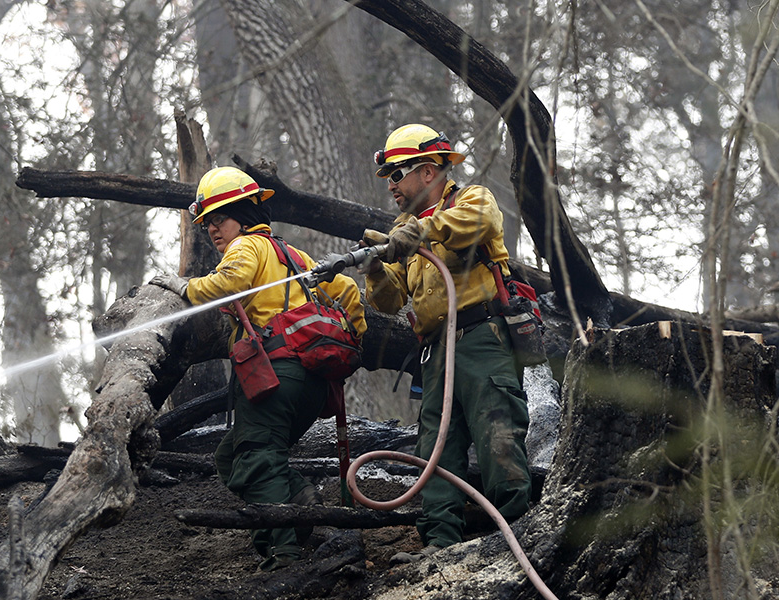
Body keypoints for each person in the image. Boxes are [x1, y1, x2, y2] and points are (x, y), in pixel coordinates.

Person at [150, 166, 367, 572]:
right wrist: (354, 333)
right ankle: (300, 499)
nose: (213, 231)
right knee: (233, 457)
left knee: (257, 457)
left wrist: (184, 286)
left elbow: (229, 284)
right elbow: (348, 290)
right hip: (313, 385)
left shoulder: (246, 247)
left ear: (246, 215)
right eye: (208, 224)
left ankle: (283, 555)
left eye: (220, 219)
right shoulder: (295, 255)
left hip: (275, 375)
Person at [359, 124, 531, 564]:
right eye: (389, 178)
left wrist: (420, 232)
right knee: (436, 446)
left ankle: (518, 539)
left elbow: (482, 224)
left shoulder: (471, 200)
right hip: (436, 351)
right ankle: (440, 544)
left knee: (498, 434)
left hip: (481, 339)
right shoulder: (405, 230)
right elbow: (389, 299)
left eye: (397, 174)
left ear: (429, 170)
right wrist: (375, 266)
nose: (392, 186)